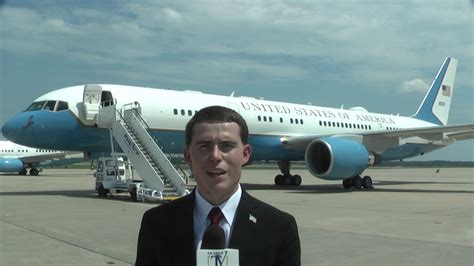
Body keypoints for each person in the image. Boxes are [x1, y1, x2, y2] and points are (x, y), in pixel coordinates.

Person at [135, 105, 301, 266]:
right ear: (188, 156)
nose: (215, 156)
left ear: (245, 154)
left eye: (226, 146)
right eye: (204, 146)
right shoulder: (156, 223)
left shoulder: (280, 228)